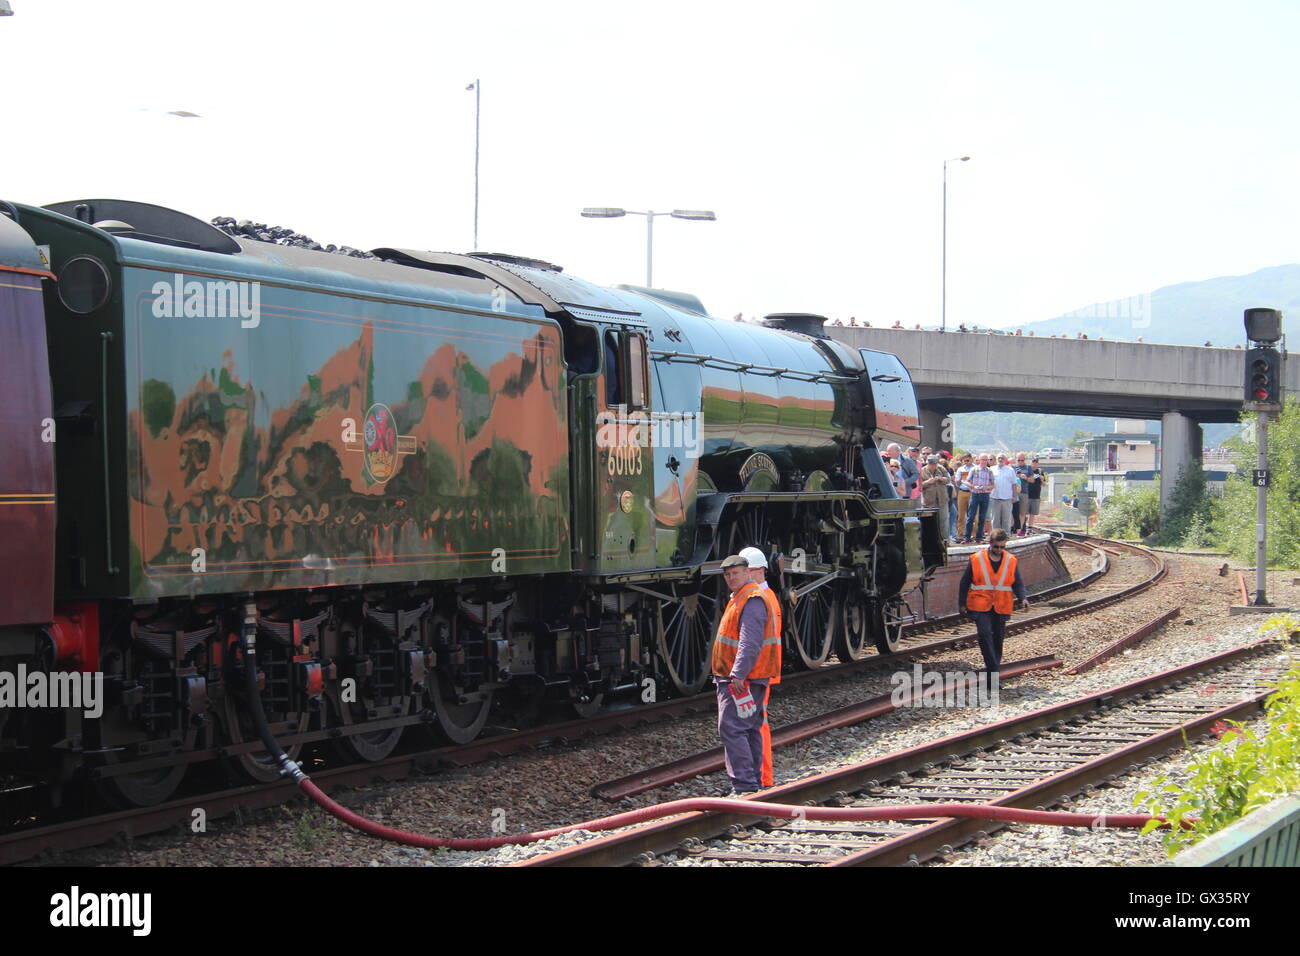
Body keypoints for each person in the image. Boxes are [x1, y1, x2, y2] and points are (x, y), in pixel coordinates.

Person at [712, 548, 783, 794]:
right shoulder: (742, 597)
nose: (731, 578)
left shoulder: (751, 600)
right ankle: (753, 783)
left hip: (743, 679)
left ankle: (744, 785)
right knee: (749, 728)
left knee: (732, 728)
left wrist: (738, 674)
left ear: (748, 573)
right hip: (748, 676)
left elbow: (749, 642)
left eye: (736, 573)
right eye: (727, 575)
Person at [958, 529, 1030, 673]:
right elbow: (964, 582)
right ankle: (993, 670)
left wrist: (1023, 598)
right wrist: (962, 604)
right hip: (980, 605)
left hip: (1001, 605)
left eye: (1002, 547)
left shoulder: (1011, 560)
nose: (999, 550)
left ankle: (993, 668)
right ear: (990, 543)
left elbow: (1017, 583)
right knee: (984, 635)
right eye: (996, 546)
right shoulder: (977, 559)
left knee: (998, 639)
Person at [963, 454, 993, 542]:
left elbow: (993, 485)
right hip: (975, 494)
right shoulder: (974, 469)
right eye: (982, 459)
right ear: (979, 460)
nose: (984, 461)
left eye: (986, 460)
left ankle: (979, 537)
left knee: (982, 517)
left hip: (985, 495)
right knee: (971, 516)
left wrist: (986, 487)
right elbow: (967, 482)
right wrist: (973, 487)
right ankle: (967, 537)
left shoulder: (989, 471)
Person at [920, 455, 950, 541]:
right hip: (928, 501)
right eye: (931, 464)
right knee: (929, 522)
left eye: (934, 464)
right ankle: (930, 541)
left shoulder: (941, 469)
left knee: (943, 521)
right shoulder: (922, 471)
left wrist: (941, 479)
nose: (933, 466)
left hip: (942, 500)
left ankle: (945, 540)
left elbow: (948, 480)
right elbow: (919, 486)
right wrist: (928, 482)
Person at [989, 453, 1018, 533]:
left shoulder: (1010, 470)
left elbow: (1014, 484)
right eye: (999, 458)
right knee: (995, 519)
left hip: (1007, 498)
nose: (1000, 459)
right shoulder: (991, 469)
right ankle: (995, 535)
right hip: (994, 498)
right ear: (996, 459)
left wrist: (1014, 496)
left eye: (1002, 458)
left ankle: (1006, 535)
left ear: (1005, 460)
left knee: (1006, 519)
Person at [954, 452, 974, 543]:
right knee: (961, 515)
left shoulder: (975, 468)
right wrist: (958, 480)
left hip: (973, 492)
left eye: (968, 460)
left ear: (971, 459)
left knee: (973, 515)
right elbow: (957, 482)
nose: (966, 462)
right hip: (962, 492)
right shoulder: (960, 469)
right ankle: (960, 535)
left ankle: (973, 534)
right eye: (964, 461)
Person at [1022, 456, 1043, 534]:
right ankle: (1022, 527)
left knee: (1032, 513)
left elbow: (1043, 484)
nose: (1034, 464)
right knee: (1024, 512)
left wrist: (1042, 479)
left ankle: (1029, 528)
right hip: (1027, 494)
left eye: (1036, 462)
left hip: (1036, 495)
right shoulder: (1027, 470)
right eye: (1033, 462)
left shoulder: (1040, 471)